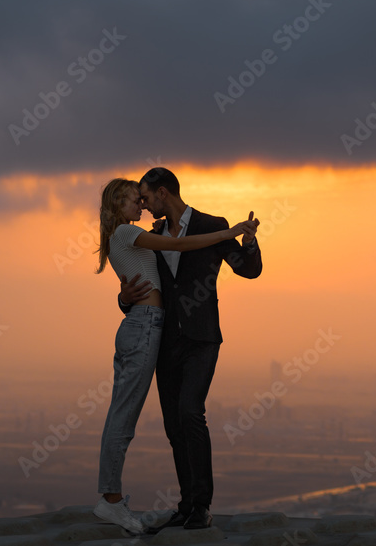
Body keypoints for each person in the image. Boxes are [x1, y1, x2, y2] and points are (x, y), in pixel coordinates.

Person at [92, 178, 257, 534]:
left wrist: (241, 238)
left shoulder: (210, 225)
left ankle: (199, 506)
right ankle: (161, 504)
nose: (144, 205)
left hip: (197, 336)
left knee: (188, 413)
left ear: (162, 192)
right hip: (157, 335)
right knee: (161, 422)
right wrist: (124, 299)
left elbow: (248, 269)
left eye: (146, 198)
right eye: (137, 200)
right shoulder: (140, 233)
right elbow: (154, 267)